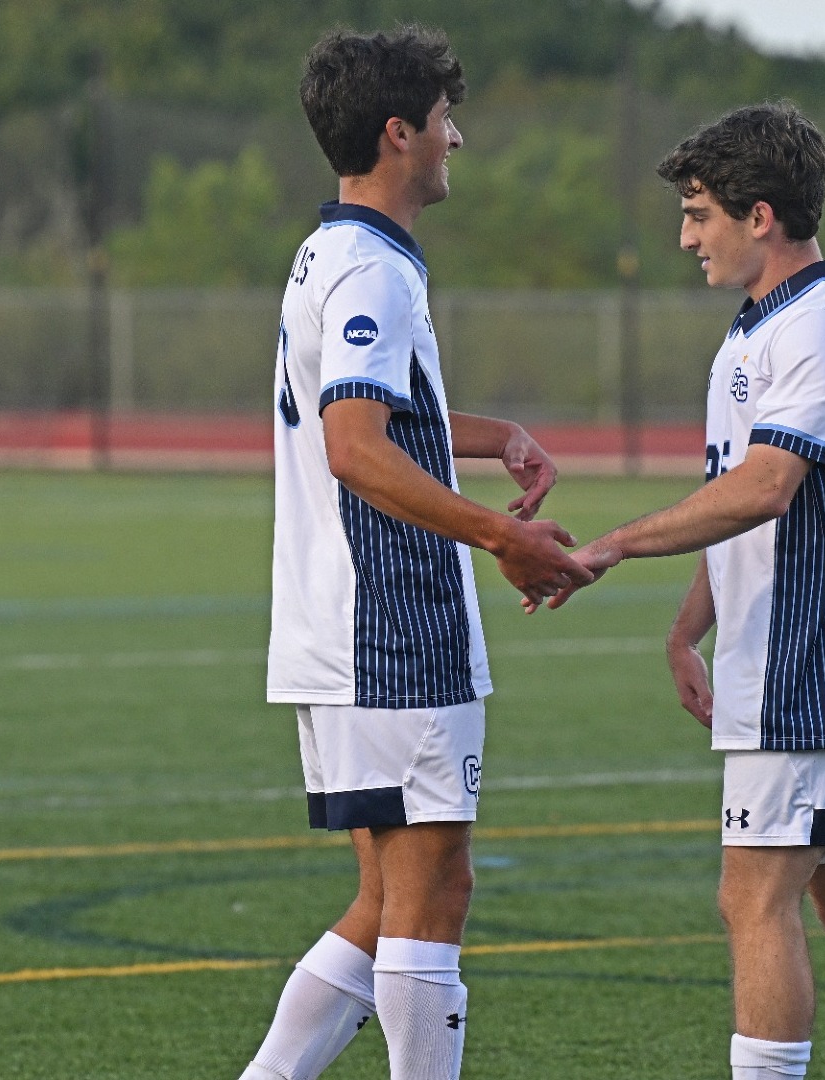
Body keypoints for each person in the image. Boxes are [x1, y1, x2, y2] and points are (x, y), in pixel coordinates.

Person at [546, 103, 825, 1080]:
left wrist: (607, 549)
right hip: (788, 662)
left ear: (760, 215)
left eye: (699, 214)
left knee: (753, 900)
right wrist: (690, 627)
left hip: (813, 664)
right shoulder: (756, 330)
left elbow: (766, 488)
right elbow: (735, 497)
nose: (687, 236)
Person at [246, 26, 591, 1080]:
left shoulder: (331, 250)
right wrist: (505, 535)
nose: (458, 138)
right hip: (388, 625)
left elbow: (366, 422)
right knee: (435, 896)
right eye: (445, 119)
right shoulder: (373, 272)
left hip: (338, 621)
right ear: (399, 133)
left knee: (387, 899)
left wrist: (487, 438)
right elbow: (354, 449)